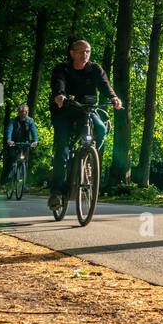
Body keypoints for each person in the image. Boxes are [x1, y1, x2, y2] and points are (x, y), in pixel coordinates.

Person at [48, 40, 122, 214]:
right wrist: (59, 95)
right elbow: (59, 83)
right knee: (62, 151)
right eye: (81, 51)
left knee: (101, 129)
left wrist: (114, 98)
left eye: (87, 51)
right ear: (72, 53)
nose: (85, 55)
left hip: (86, 111)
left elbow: (105, 85)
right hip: (64, 112)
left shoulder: (94, 69)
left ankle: (89, 155)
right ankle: (57, 193)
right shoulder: (62, 68)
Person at [2, 102, 40, 184]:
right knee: (12, 160)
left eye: (26, 111)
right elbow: (9, 130)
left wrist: (35, 141)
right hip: (13, 143)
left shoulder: (30, 121)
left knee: (24, 161)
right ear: (19, 112)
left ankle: (23, 181)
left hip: (25, 143)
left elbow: (33, 131)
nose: (25, 113)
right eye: (22, 111)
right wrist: (9, 140)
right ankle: (7, 179)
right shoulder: (13, 121)